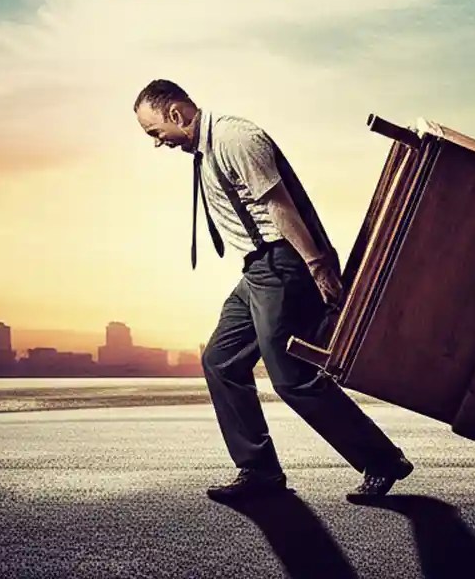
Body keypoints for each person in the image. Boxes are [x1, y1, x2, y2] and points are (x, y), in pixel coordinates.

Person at [133, 78, 412, 501]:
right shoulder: (206, 151)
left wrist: (318, 268)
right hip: (256, 270)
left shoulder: (235, 138)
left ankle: (382, 460)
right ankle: (259, 471)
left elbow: (278, 204)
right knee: (220, 360)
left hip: (282, 264)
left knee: (291, 376)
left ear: (175, 113)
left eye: (156, 132)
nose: (158, 143)